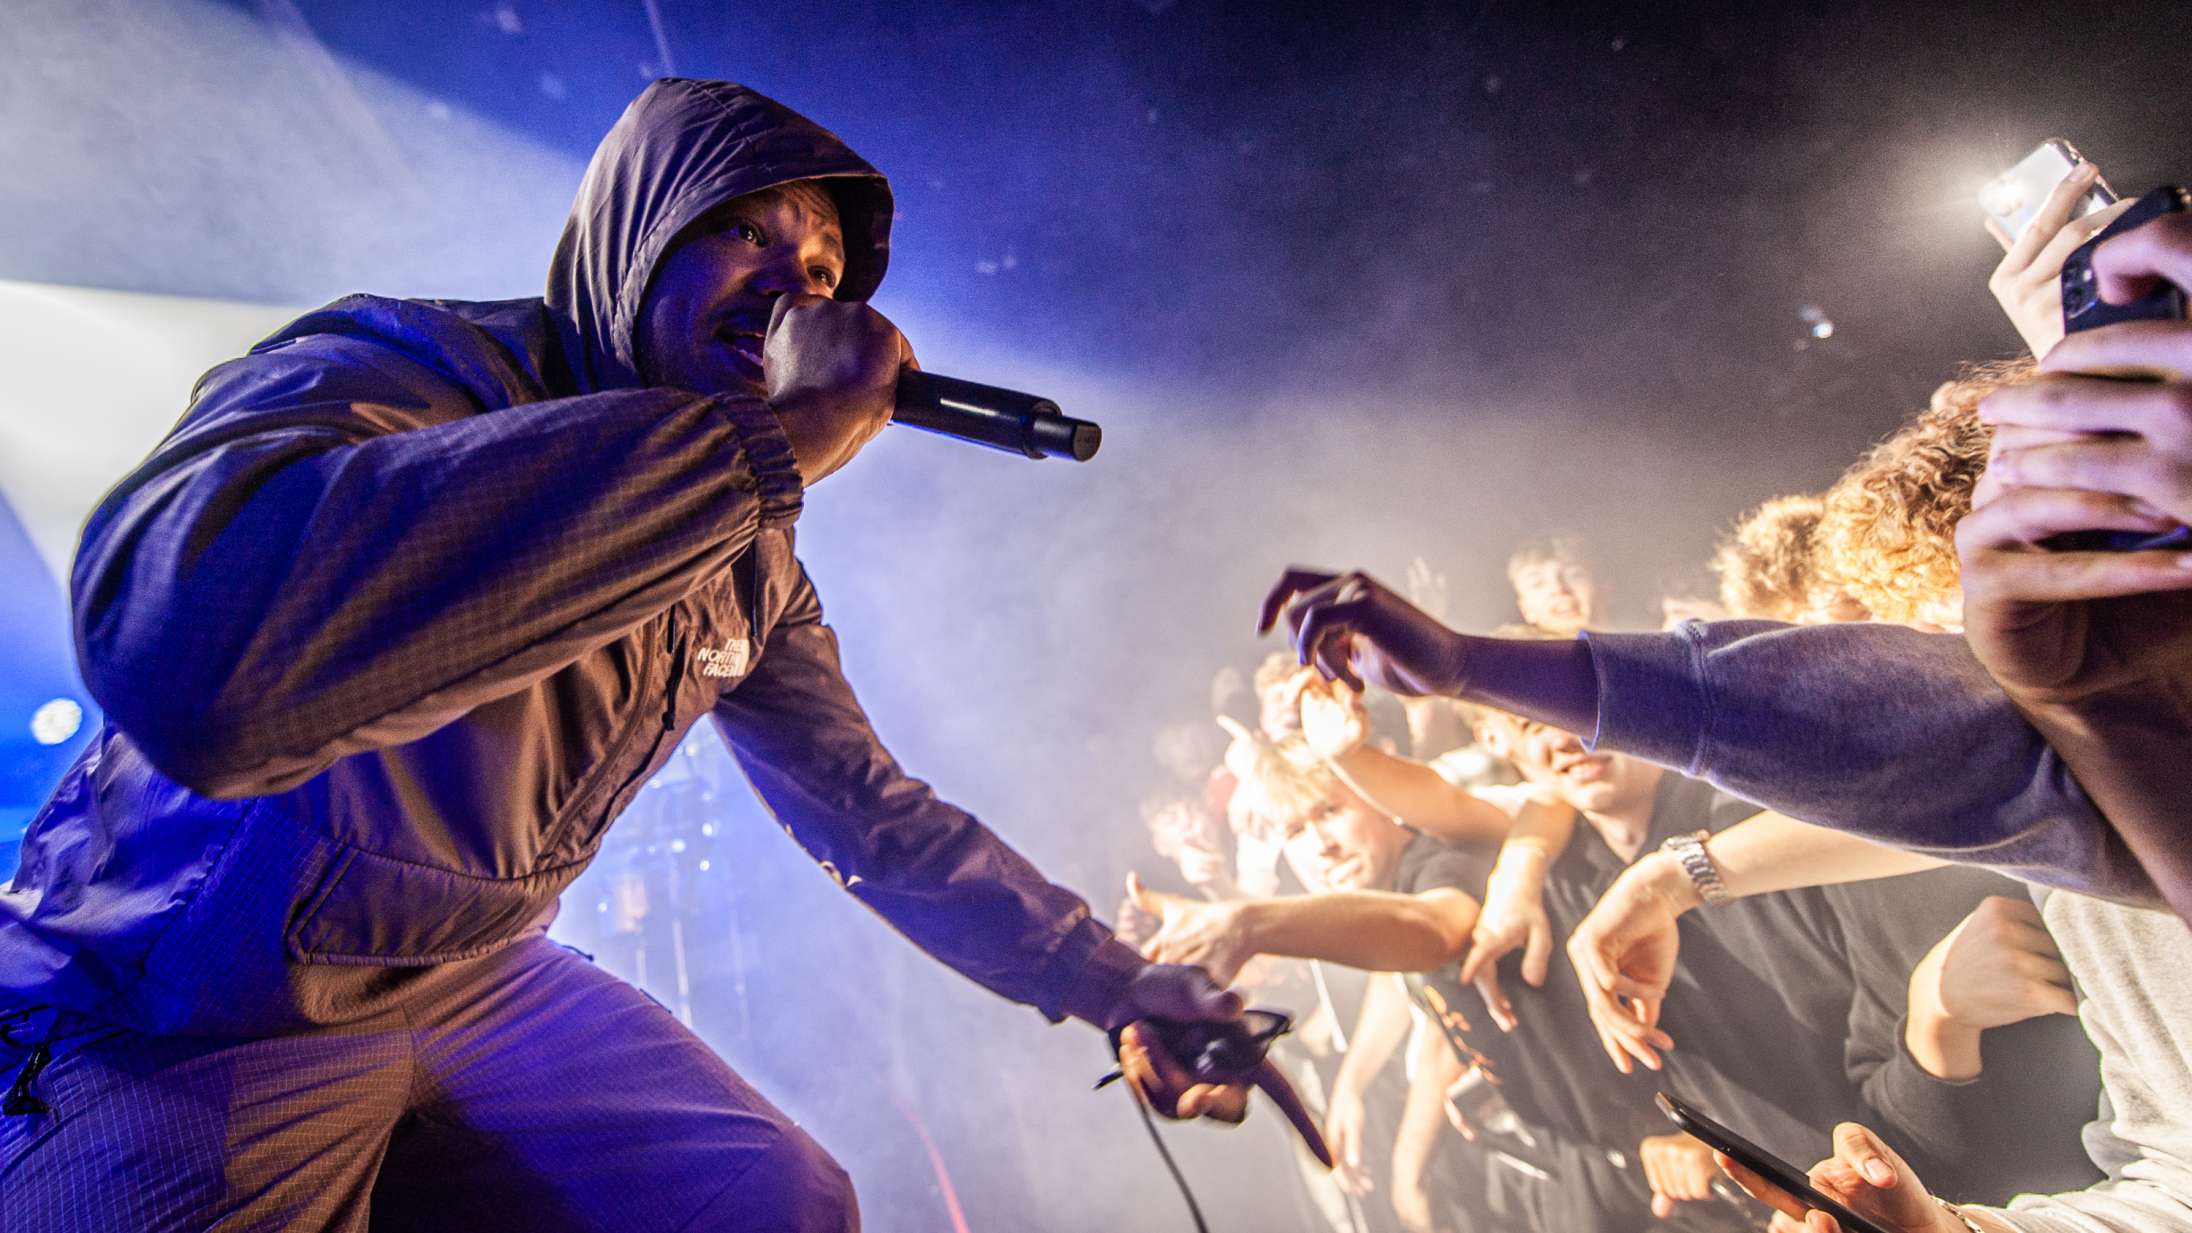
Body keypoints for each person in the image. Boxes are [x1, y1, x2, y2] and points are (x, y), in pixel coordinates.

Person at [0, 79, 1261, 1232]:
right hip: (198, 1002)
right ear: (637, 239)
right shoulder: (415, 370)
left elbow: (872, 818)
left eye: (825, 269)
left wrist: (1115, 981)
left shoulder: (746, 559)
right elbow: (191, 660)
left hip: (470, 978)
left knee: (771, 1199)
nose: (796, 289)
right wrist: (751, 457)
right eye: (747, 235)